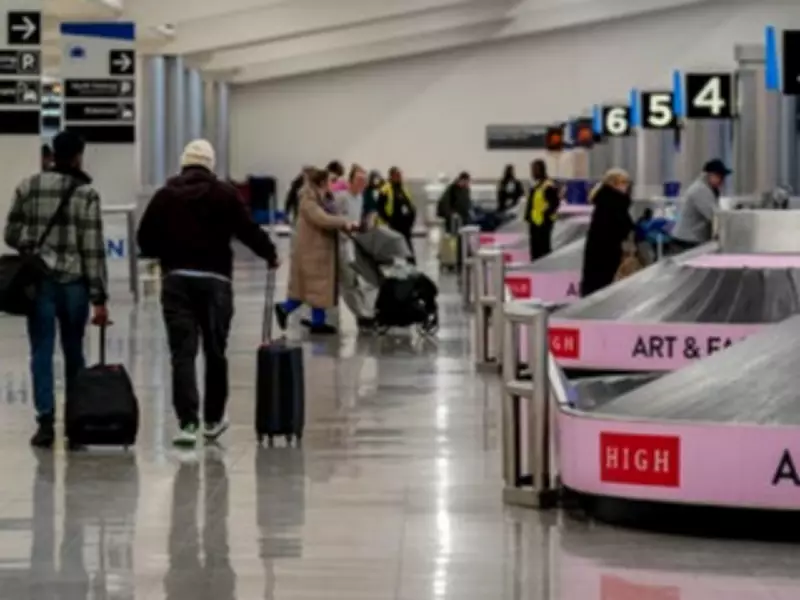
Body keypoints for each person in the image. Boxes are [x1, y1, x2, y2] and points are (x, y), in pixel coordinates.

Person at [137, 139, 279, 447]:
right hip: (216, 282)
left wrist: (169, 253)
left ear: (183, 163)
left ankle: (187, 423)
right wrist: (270, 253)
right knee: (215, 352)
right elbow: (247, 230)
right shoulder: (224, 194)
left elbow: (144, 238)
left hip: (176, 281)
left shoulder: (165, 195)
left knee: (182, 354)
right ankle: (213, 419)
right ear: (210, 165)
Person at [4, 130, 110, 448]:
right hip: (74, 284)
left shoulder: (28, 186)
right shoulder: (86, 194)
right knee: (74, 350)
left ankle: (45, 422)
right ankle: (76, 422)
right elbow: (92, 248)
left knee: (41, 351)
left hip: (40, 283)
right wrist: (99, 297)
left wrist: (31, 245)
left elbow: (10, 232)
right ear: (78, 155)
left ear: (51, 154)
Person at [275, 168, 359, 336]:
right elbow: (322, 219)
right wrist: (343, 222)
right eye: (330, 182)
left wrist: (347, 226)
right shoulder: (308, 200)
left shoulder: (323, 198)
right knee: (311, 288)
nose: (333, 185)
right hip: (311, 253)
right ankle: (284, 308)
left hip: (318, 252)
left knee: (316, 289)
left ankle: (317, 322)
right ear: (321, 183)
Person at [579, 168, 635, 297]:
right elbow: (622, 226)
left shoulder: (605, 199)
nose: (626, 185)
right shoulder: (614, 202)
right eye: (624, 182)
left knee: (593, 284)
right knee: (603, 285)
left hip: (597, 250)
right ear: (613, 183)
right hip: (606, 252)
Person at [335, 164, 377, 329]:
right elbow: (336, 220)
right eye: (359, 180)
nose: (362, 184)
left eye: (364, 181)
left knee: (358, 281)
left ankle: (364, 312)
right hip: (342, 244)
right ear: (350, 180)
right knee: (348, 283)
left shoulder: (360, 198)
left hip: (354, 243)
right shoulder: (341, 198)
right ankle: (362, 314)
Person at [671, 159, 730, 250]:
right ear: (709, 175)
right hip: (687, 240)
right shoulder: (700, 190)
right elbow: (713, 215)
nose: (722, 181)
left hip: (693, 239)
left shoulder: (709, 189)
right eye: (719, 177)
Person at [524, 159, 560, 260]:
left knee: (543, 249)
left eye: (534, 170)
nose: (532, 172)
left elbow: (555, 203)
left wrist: (545, 215)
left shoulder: (548, 185)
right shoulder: (536, 185)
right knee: (535, 250)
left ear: (541, 170)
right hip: (535, 222)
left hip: (543, 222)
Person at [378, 166, 416, 260]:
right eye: (397, 175)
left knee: (409, 253)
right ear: (391, 176)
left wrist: (412, 217)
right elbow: (380, 208)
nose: (399, 177)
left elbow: (410, 205)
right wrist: (388, 220)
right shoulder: (385, 190)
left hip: (406, 227)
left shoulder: (404, 190)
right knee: (395, 253)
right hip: (393, 225)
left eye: (400, 175)